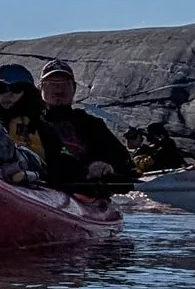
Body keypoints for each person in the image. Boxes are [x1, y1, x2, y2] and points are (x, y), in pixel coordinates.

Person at [36, 61, 135, 195]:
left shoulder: (92, 124)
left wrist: (107, 166)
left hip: (87, 193)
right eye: (51, 84)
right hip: (45, 190)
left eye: (64, 84)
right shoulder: (31, 123)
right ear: (40, 89)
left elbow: (122, 159)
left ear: (74, 88)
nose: (58, 89)